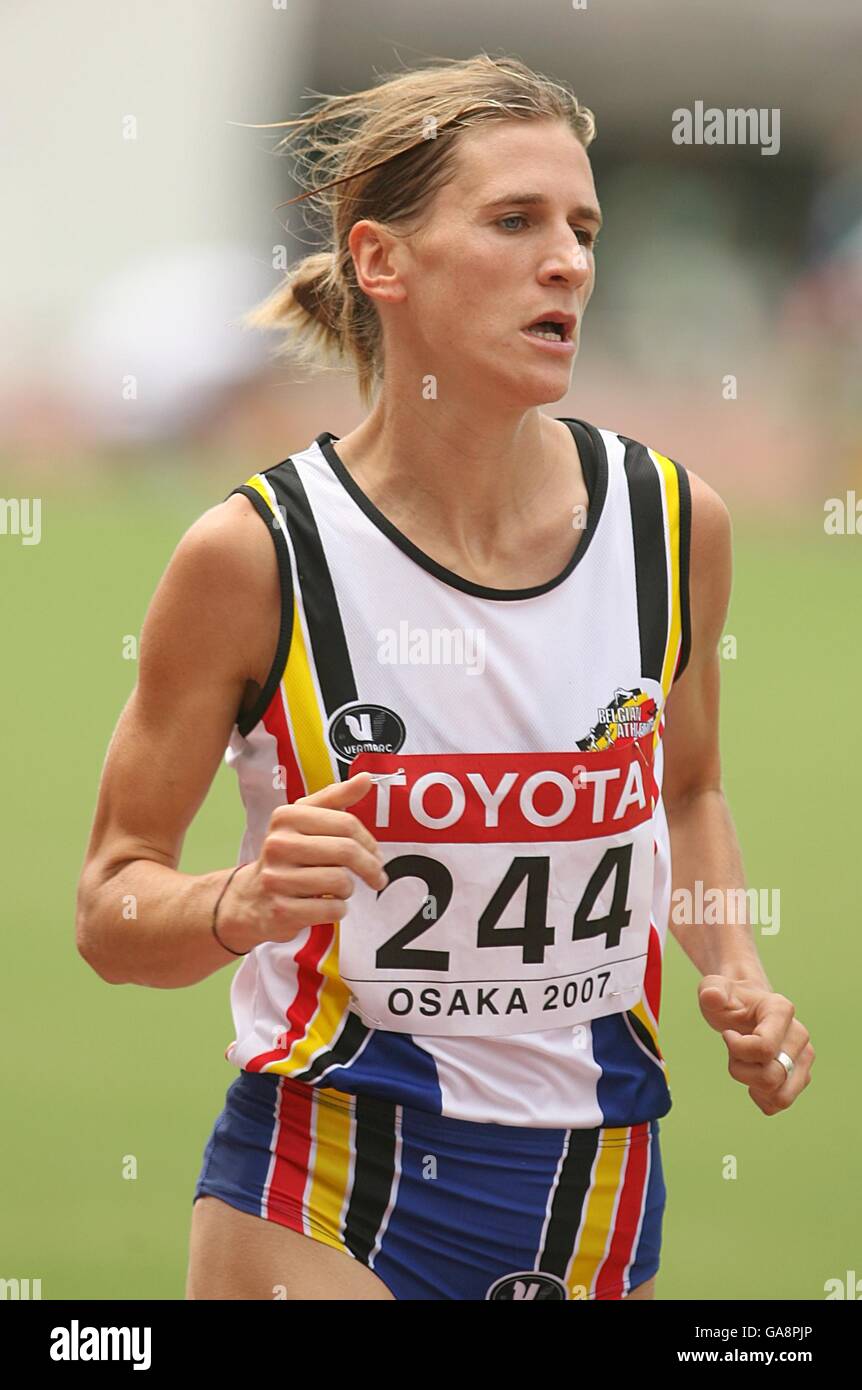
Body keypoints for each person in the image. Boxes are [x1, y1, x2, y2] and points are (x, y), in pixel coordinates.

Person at [75, 53, 814, 1302]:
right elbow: (109, 909)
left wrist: (733, 967)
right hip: (322, 1176)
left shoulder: (672, 522)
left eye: (583, 227)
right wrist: (239, 903)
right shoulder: (255, 555)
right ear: (380, 260)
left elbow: (686, 793)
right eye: (516, 221)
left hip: (598, 1182)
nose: (569, 261)